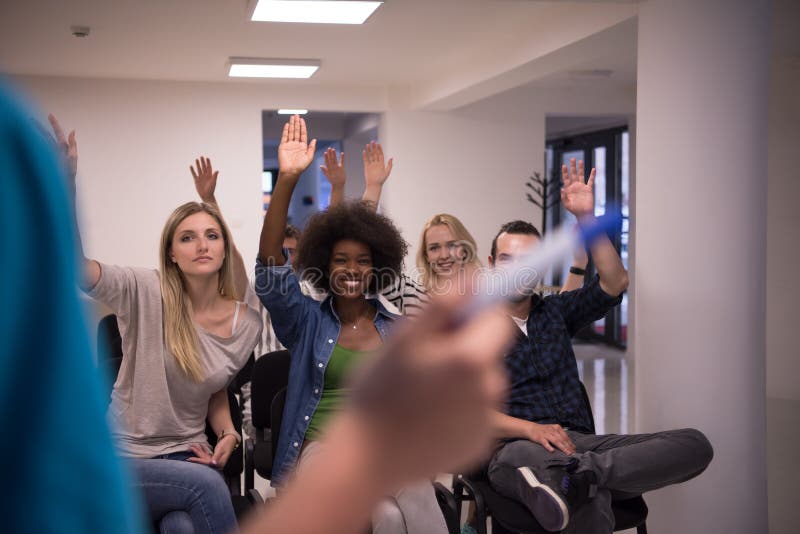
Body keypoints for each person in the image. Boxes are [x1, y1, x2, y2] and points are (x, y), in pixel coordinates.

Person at [485, 159, 713, 533]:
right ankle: (578, 477)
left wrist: (587, 219)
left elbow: (614, 281)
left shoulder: (556, 311)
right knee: (557, 478)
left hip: (582, 445)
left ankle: (582, 475)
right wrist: (530, 430)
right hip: (517, 448)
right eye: (507, 260)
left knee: (695, 444)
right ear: (491, 264)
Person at [60, 115, 263, 533]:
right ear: (172, 253)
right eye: (187, 237)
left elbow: (213, 386)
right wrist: (65, 183)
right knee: (209, 488)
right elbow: (78, 269)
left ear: (225, 247)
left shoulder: (245, 325)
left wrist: (228, 435)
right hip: (122, 457)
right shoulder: (143, 290)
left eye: (212, 236)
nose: (201, 245)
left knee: (181, 527)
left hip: (188, 454)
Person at [254, 115, 448, 533]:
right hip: (322, 451)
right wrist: (286, 180)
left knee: (394, 511)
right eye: (341, 260)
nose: (352, 269)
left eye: (363, 261)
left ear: (377, 267)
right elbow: (270, 270)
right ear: (325, 266)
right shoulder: (307, 321)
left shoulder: (396, 328)